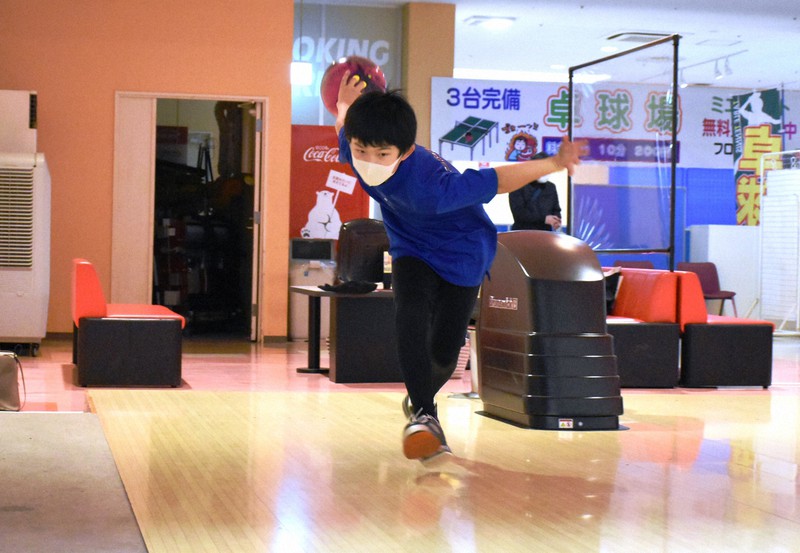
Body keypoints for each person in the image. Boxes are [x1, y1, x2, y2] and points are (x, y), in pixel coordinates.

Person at [335, 72, 585, 462]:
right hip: (411, 249)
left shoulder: (432, 186)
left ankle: (419, 402)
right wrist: (345, 107)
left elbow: (499, 180)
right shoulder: (356, 150)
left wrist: (554, 161)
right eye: (361, 150)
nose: (368, 162)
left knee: (445, 349)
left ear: (404, 151)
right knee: (409, 315)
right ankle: (425, 414)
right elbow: (346, 129)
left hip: (463, 254)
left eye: (381, 155)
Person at [508, 152, 562, 231]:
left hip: (545, 234)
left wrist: (556, 220)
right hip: (522, 233)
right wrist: (544, 219)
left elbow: (556, 209)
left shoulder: (551, 187)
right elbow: (518, 214)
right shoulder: (517, 185)